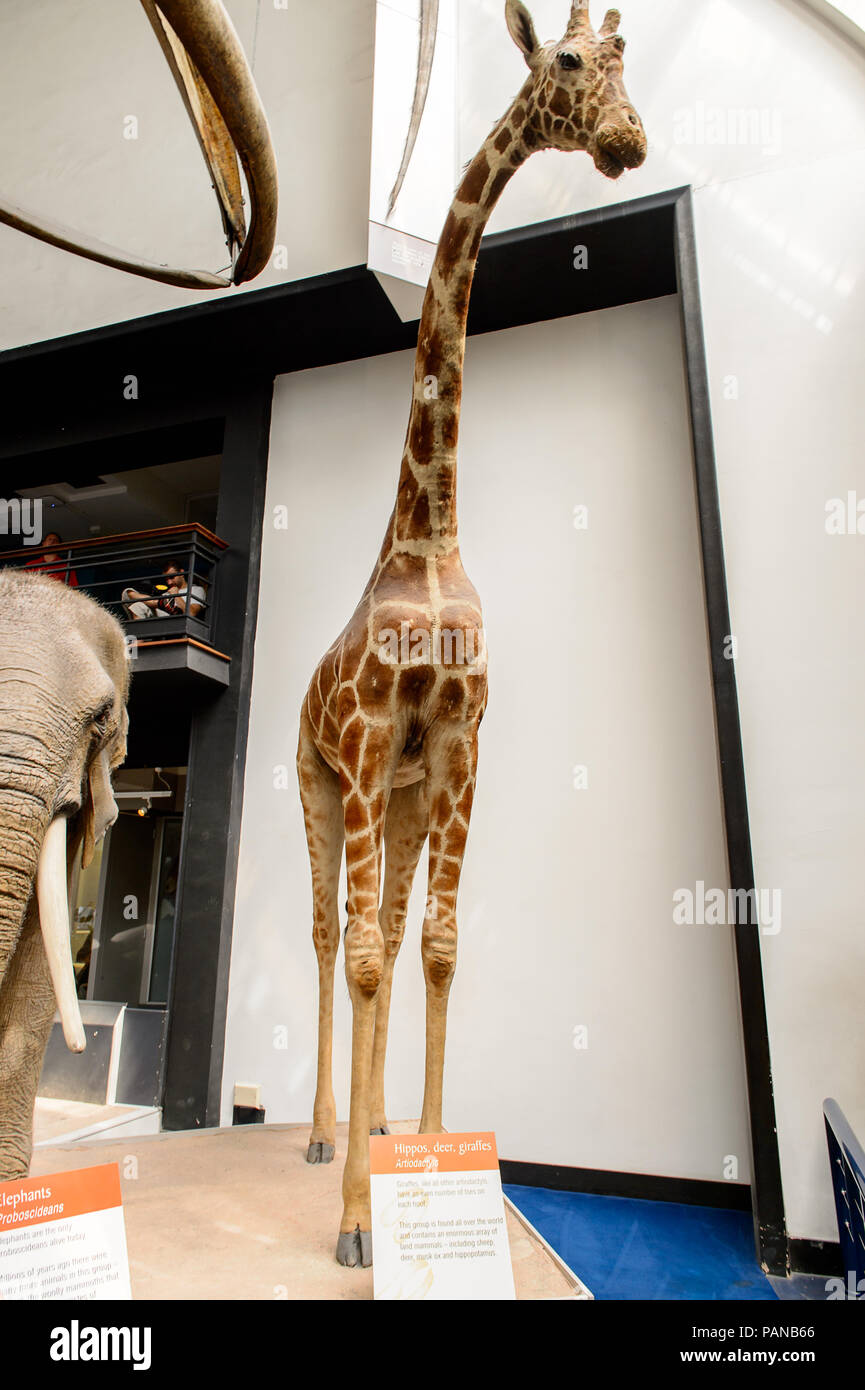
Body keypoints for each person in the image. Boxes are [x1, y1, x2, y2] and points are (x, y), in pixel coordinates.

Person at [122, 560, 207, 621]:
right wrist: (158, 603)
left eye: (172, 577)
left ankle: (160, 603)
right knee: (132, 599)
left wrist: (176, 596)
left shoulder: (196, 589)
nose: (169, 582)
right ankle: (138, 643)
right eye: (166, 579)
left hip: (178, 623)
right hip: (160, 618)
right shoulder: (166, 592)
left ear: (182, 572)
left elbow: (192, 613)